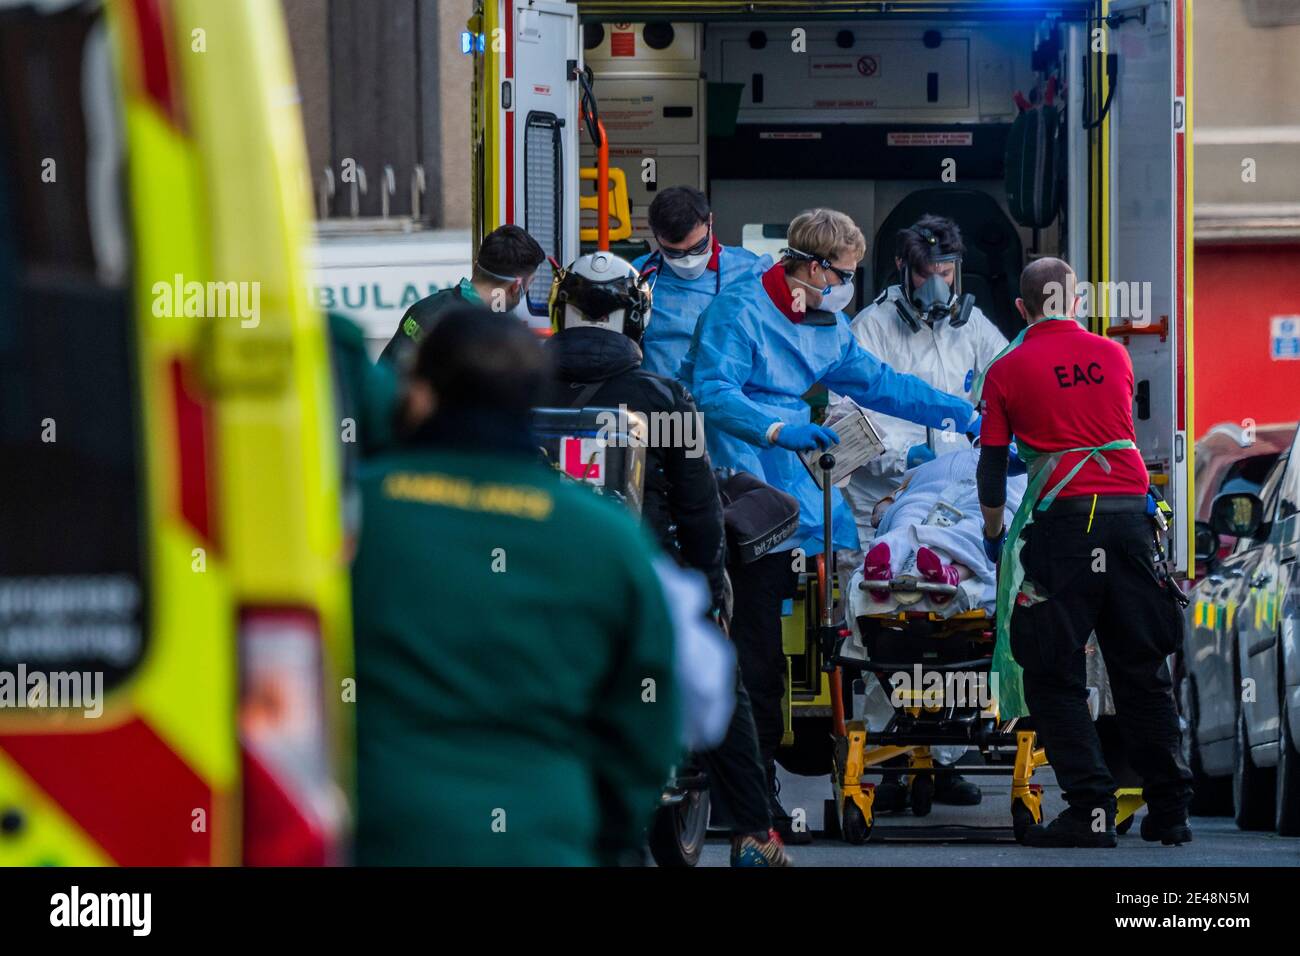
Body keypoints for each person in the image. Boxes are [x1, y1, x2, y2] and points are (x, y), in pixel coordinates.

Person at [353, 305, 690, 866]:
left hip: (387, 831)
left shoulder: (353, 516)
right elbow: (646, 723)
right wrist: (596, 833)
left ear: (420, 393)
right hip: (545, 835)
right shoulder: (606, 538)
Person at [681, 208, 980, 830]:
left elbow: (882, 384)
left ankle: (857, 745)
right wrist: (775, 427)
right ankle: (751, 781)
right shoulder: (737, 314)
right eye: (843, 273)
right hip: (741, 473)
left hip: (794, 480)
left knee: (846, 621)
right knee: (756, 643)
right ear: (813, 266)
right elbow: (712, 391)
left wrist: (962, 414)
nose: (848, 284)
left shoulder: (827, 324)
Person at [540, 250, 791, 866]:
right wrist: (713, 593)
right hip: (639, 582)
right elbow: (701, 509)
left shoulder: (511, 387)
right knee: (724, 682)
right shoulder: (664, 396)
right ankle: (756, 834)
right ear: (637, 321)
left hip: (529, 582)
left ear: (560, 310)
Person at [975, 256, 1193, 848]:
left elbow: (992, 467)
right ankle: (1170, 813)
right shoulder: (1115, 355)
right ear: (1076, 303)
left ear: (1021, 310)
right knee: (1141, 669)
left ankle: (1091, 810)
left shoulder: (1006, 368)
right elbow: (1093, 423)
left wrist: (995, 533)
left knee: (1051, 670)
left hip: (1067, 529)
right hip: (1129, 522)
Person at [840, 215, 1009, 809]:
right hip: (884, 496)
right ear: (903, 273)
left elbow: (1004, 383)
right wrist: (897, 455)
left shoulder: (974, 329)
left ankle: (940, 761)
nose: (938, 281)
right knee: (886, 628)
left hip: (950, 498)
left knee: (952, 623)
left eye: (946, 270)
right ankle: (890, 757)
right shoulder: (871, 328)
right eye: (927, 271)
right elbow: (846, 414)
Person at [631, 185, 763, 380]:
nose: (688, 260)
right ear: (656, 236)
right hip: (658, 400)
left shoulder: (748, 271)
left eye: (698, 247)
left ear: (710, 221)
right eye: (674, 252)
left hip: (725, 398)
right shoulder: (637, 274)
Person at [377, 223, 545, 367]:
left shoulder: (426, 306)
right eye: (530, 284)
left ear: (475, 266)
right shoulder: (483, 337)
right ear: (516, 286)